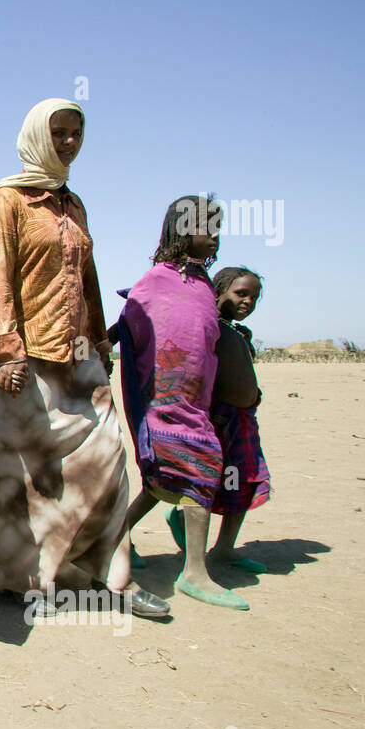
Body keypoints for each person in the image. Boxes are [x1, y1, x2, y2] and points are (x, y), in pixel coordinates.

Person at [0, 98, 169, 619]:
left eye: (77, 133)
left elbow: (90, 281)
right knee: (21, 475)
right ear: (36, 135)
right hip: (25, 364)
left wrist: (100, 343)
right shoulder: (7, 200)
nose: (70, 142)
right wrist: (5, 355)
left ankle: (112, 578)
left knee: (109, 457)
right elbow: (1, 278)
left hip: (79, 358)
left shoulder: (74, 206)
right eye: (59, 132)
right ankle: (22, 578)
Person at [118, 196, 249, 609]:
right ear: (180, 229)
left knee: (161, 484)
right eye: (205, 227)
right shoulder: (155, 280)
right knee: (197, 469)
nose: (214, 236)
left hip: (198, 402)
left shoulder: (207, 287)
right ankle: (194, 571)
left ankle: (115, 538)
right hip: (163, 401)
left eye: (217, 228)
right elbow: (128, 325)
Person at [161, 266, 270, 572]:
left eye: (254, 297)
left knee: (245, 480)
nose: (248, 301)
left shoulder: (237, 332)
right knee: (203, 480)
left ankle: (224, 548)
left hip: (244, 420)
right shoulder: (208, 326)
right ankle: (178, 520)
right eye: (240, 293)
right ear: (218, 291)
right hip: (217, 420)